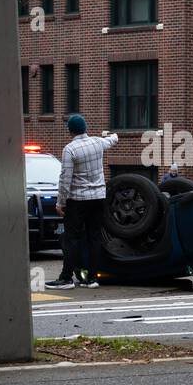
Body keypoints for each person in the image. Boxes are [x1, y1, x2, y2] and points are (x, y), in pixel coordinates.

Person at [45, 114, 117, 290]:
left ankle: (66, 278)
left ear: (70, 131)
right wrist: (115, 136)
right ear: (85, 128)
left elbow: (65, 178)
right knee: (95, 237)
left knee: (72, 239)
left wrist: (60, 202)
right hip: (99, 197)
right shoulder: (97, 142)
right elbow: (112, 140)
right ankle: (92, 278)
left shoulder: (70, 149)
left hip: (78, 200)